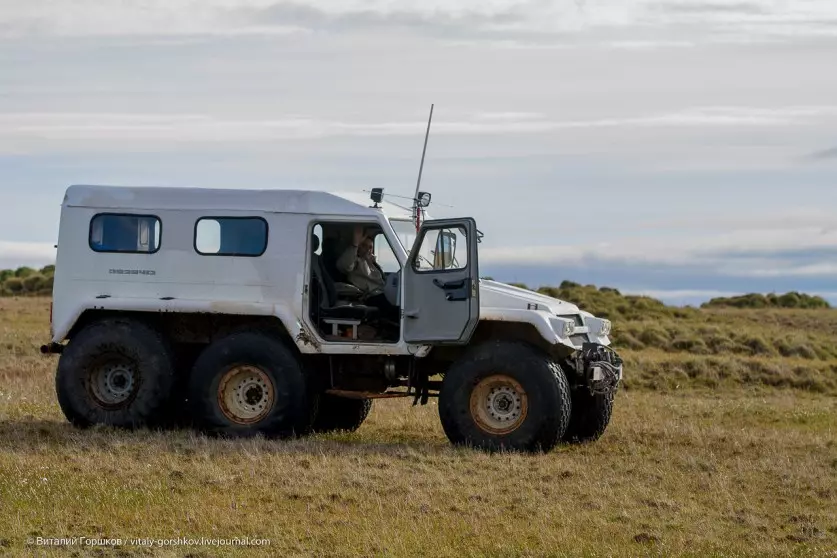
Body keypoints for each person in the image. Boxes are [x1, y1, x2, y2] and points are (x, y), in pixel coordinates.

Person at [336, 226, 399, 323]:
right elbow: (344, 266)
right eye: (364, 246)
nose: (368, 250)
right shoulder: (355, 261)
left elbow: (381, 280)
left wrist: (373, 263)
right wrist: (355, 244)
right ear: (358, 247)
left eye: (370, 247)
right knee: (396, 310)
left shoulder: (370, 262)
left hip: (381, 292)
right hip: (368, 296)